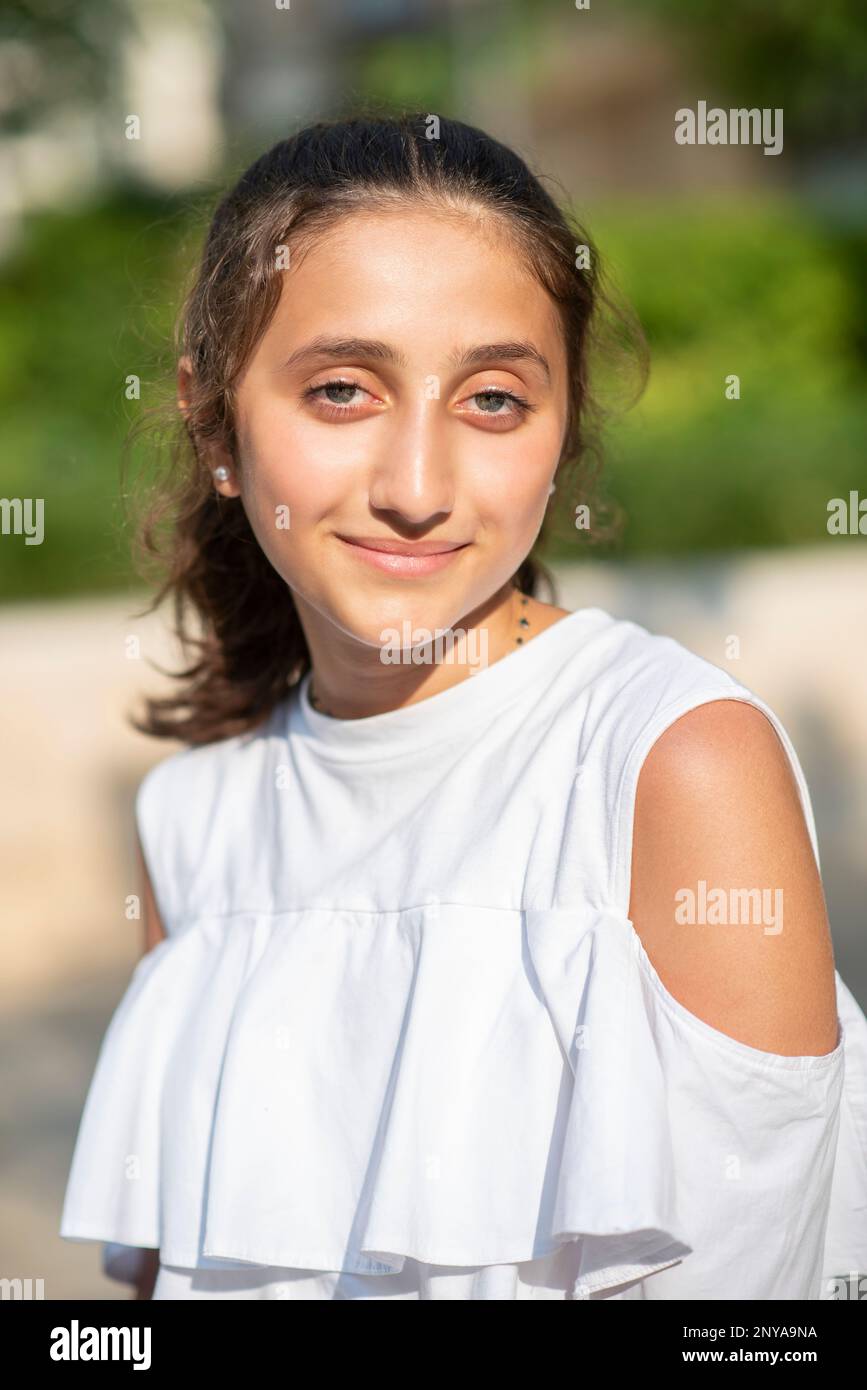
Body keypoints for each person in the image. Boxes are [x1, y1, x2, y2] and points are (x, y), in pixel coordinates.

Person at [60, 112, 867, 1301]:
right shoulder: (193, 826)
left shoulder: (672, 764)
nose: (419, 489)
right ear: (213, 424)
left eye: (493, 400)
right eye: (342, 390)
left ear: (562, 430)